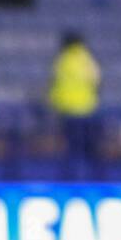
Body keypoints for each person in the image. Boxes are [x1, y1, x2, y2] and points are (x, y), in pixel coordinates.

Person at [47, 31, 100, 169]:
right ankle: (89, 177)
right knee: (87, 147)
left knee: (72, 147)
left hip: (68, 110)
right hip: (87, 109)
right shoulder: (87, 59)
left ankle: (72, 176)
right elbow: (96, 81)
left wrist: (54, 103)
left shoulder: (62, 60)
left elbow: (55, 85)